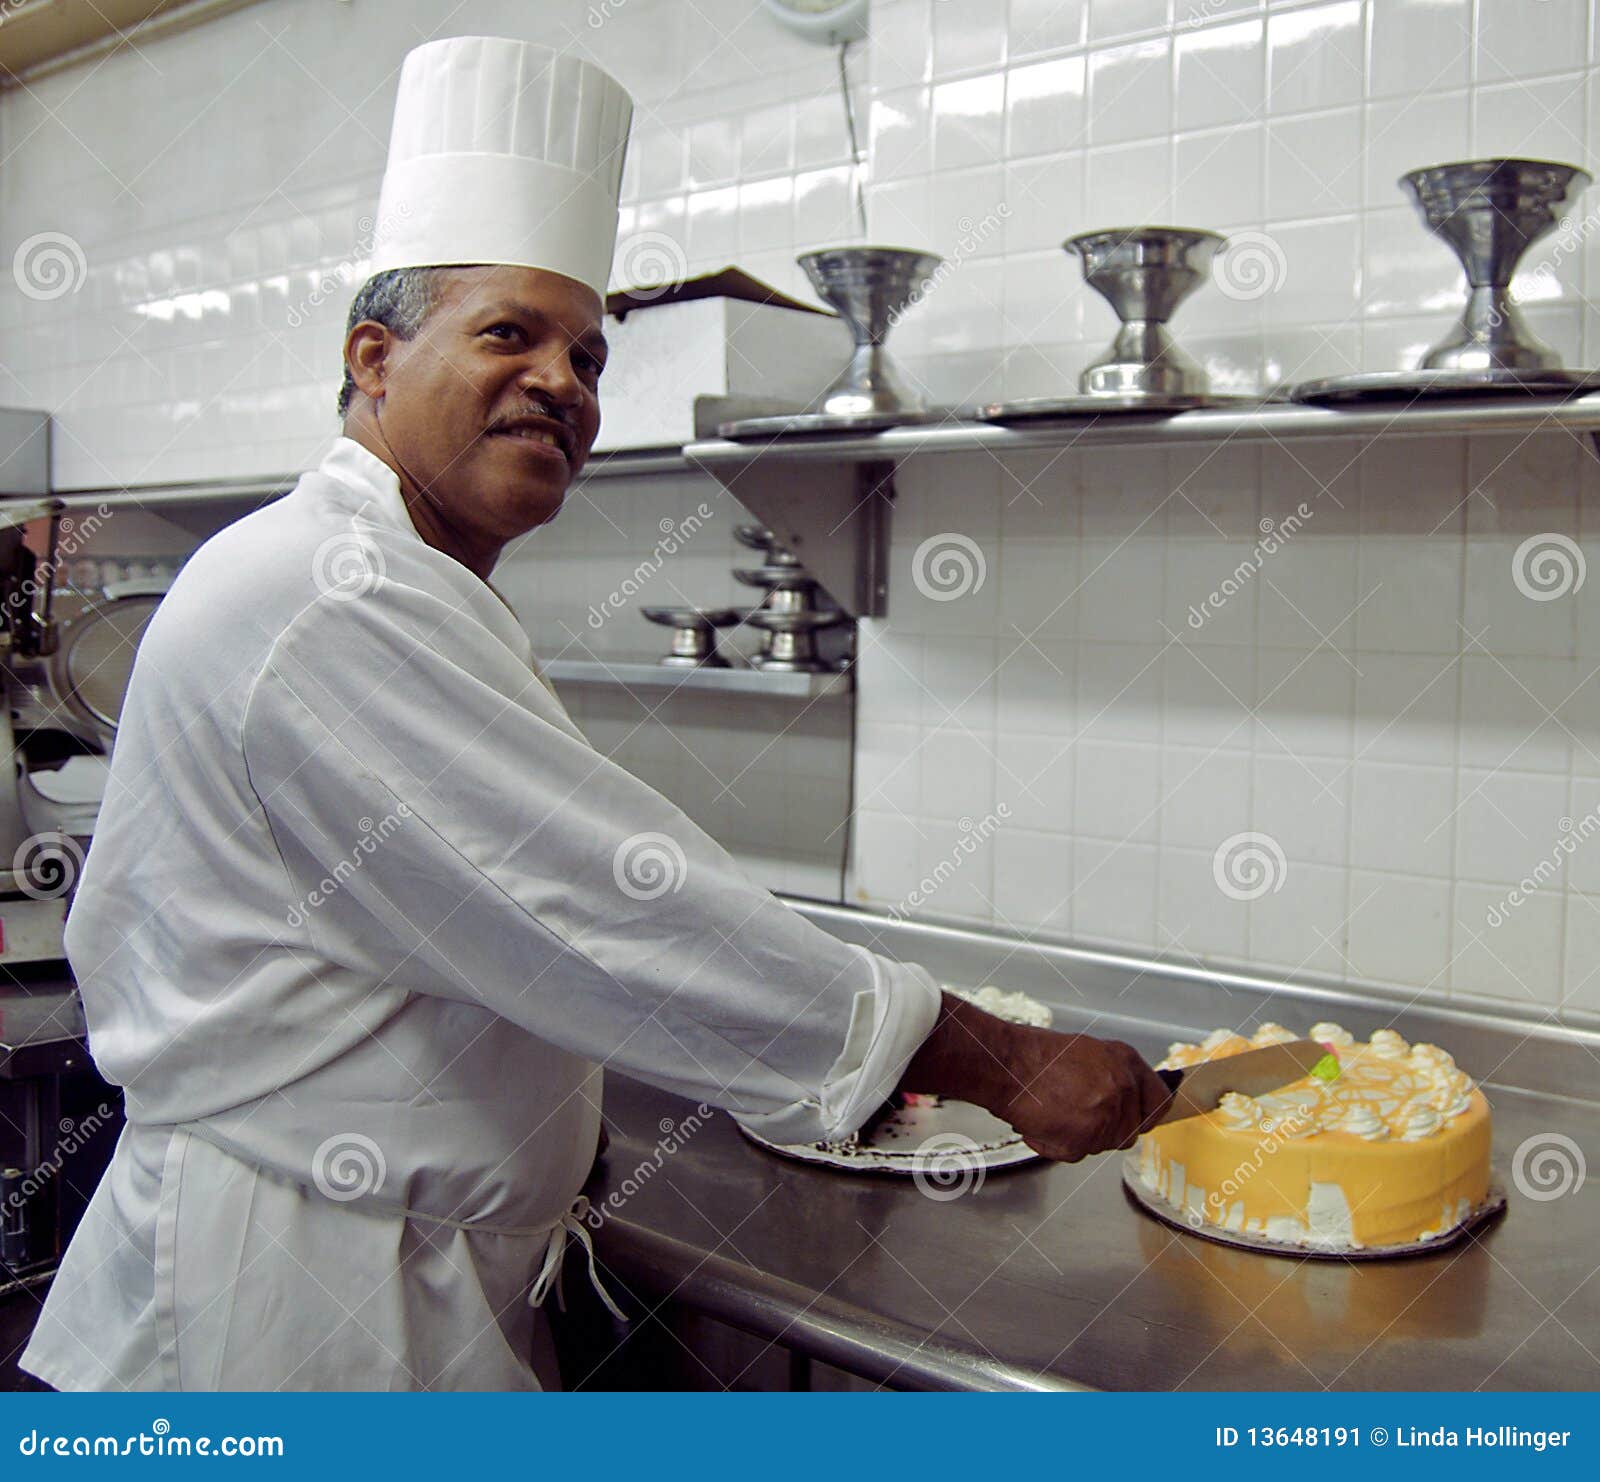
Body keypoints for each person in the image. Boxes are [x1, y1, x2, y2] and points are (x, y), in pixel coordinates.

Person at [22, 36, 1169, 1393]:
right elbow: (605, 904)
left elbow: (520, 926)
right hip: (291, 1306)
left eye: (587, 352)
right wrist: (1009, 1058)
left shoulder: (397, 579)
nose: (564, 381)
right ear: (373, 359)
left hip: (387, 1265)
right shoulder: (325, 594)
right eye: (508, 332)